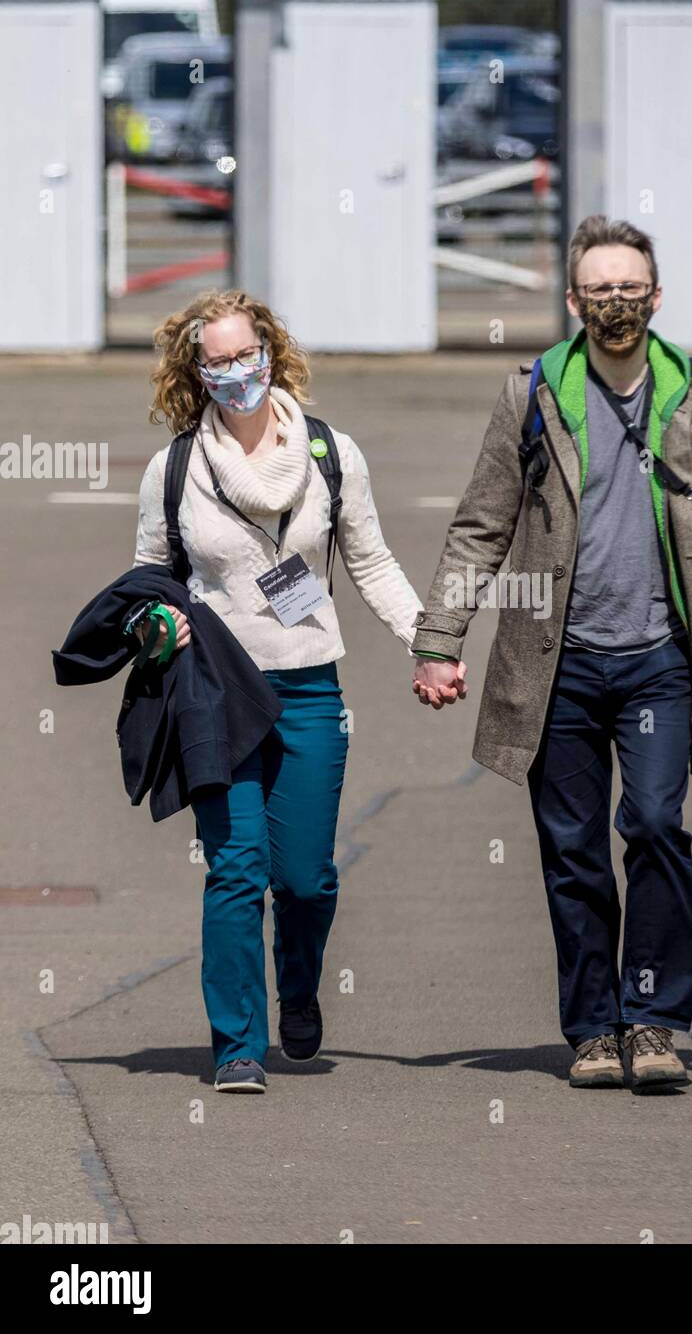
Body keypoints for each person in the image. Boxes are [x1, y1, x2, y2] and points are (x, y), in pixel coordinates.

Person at [411, 216, 692, 1092]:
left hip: (660, 657)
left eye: (631, 285)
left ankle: (651, 1019)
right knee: (571, 849)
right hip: (556, 665)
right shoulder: (531, 396)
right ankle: (592, 1030)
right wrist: (439, 639)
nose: (617, 301)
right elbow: (479, 526)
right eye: (599, 288)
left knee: (652, 827)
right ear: (574, 301)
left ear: (656, 293)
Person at [133, 288, 422, 1094]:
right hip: (217, 695)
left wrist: (427, 643)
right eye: (216, 360)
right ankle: (237, 1047)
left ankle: (298, 986)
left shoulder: (332, 453)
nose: (235, 372)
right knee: (235, 869)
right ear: (196, 370)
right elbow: (149, 580)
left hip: (309, 694)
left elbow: (370, 561)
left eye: (245, 354)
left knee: (303, 878)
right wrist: (159, 622)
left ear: (271, 351)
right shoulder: (177, 468)